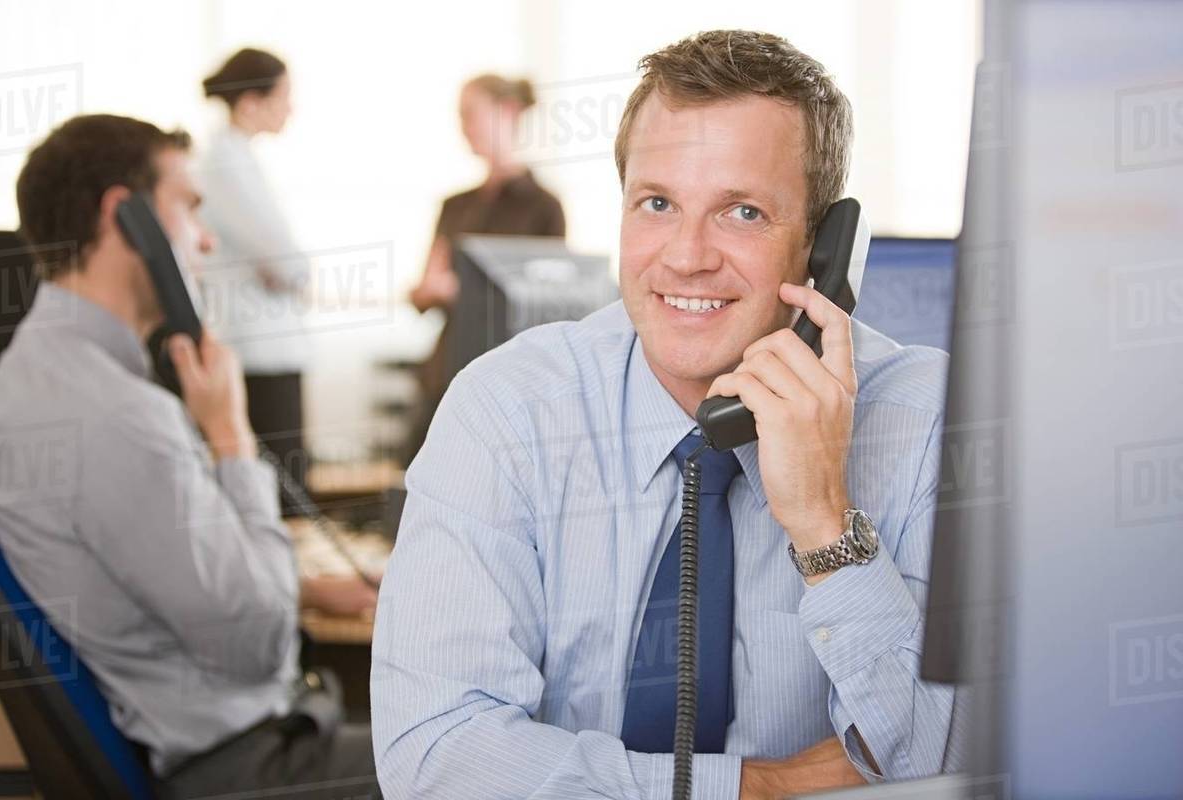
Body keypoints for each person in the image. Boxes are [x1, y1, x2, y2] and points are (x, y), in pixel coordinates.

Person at [371, 31, 961, 799]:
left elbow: (951, 761)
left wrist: (823, 518)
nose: (685, 256)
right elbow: (437, 759)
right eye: (657, 204)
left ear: (824, 248)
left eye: (742, 212)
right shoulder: (506, 411)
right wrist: (769, 788)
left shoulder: (928, 422)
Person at [0, 114, 379, 798]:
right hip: (236, 765)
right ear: (125, 216)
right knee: (505, 763)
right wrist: (230, 436)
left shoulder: (50, 376)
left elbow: (148, 570)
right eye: (188, 208)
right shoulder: (112, 413)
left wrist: (304, 586)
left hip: (226, 743)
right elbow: (255, 643)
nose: (206, 239)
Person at [405, 73, 567, 460]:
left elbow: (553, 297)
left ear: (507, 111)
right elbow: (424, 290)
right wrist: (432, 290)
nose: (464, 128)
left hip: (512, 370)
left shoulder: (544, 206)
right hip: (447, 366)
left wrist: (470, 291)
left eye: (470, 114)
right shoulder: (455, 205)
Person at [196, 48, 311, 504]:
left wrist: (288, 270)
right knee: (280, 492)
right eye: (283, 95)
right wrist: (294, 271)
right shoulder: (225, 160)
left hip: (263, 343)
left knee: (283, 484)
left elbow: (282, 263)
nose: (290, 108)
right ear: (249, 102)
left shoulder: (239, 156)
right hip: (257, 347)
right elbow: (287, 261)